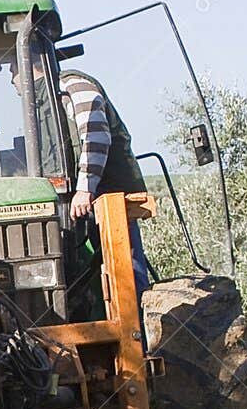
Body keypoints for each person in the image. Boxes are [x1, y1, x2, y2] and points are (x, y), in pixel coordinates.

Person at [16, 53, 151, 293]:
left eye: (11, 71)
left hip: (108, 197)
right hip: (74, 204)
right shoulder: (39, 107)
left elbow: (96, 135)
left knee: (125, 272)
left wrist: (84, 188)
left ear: (24, 67)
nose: (11, 81)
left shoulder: (72, 86)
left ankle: (138, 322)